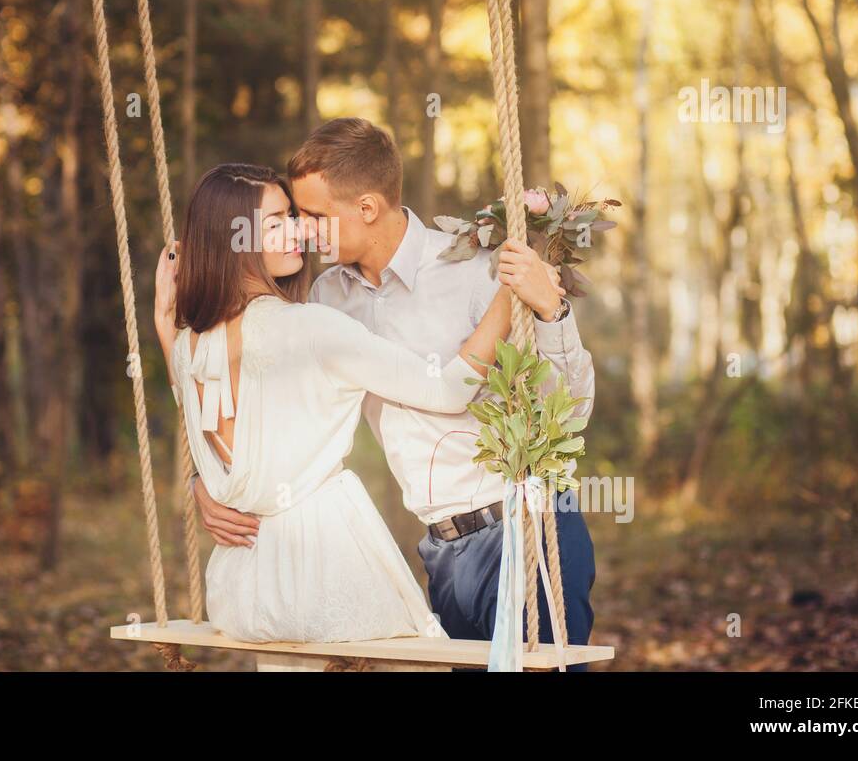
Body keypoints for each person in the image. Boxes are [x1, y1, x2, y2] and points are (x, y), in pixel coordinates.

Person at [191, 119, 598, 666]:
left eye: (313, 216)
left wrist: (551, 308)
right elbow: (258, 405)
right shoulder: (324, 299)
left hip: (525, 528)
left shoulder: (480, 270)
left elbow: (568, 410)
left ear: (365, 208)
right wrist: (208, 479)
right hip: (441, 548)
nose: (304, 232)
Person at [154, 162, 513, 643]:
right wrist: (510, 295)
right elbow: (447, 391)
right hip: (327, 574)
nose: (297, 232)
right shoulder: (313, 327)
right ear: (231, 241)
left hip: (245, 584)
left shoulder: (188, 348)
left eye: (292, 216)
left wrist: (164, 323)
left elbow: (199, 420)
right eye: (274, 224)